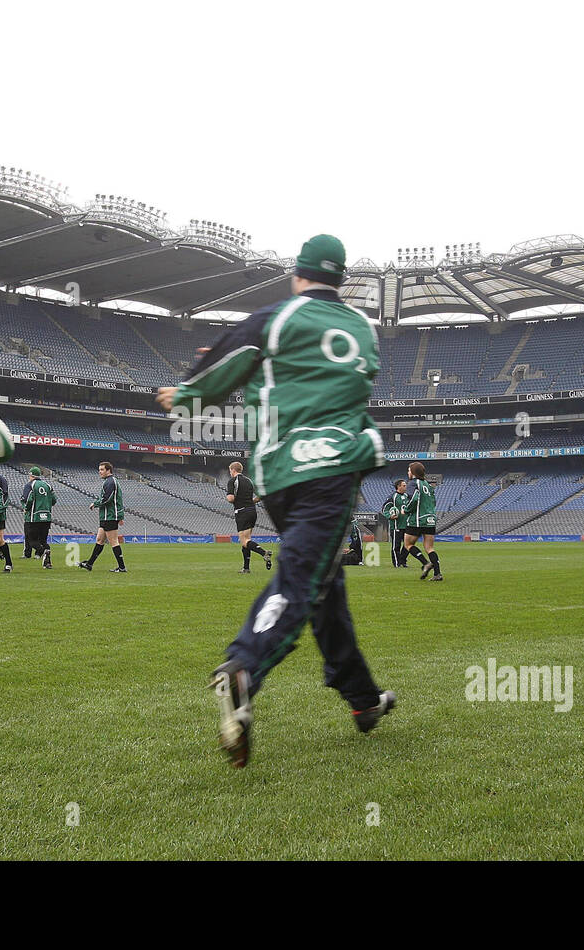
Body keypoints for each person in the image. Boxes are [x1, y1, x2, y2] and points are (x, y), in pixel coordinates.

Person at [156, 233, 394, 769]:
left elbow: (229, 357)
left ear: (298, 274)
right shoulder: (364, 330)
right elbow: (352, 389)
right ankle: (244, 666)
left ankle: (362, 700)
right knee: (303, 579)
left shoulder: (277, 317)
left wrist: (187, 393)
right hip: (332, 469)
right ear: (342, 280)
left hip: (279, 473)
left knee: (322, 586)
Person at [78, 461, 126, 573]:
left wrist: (95, 503)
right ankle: (89, 564)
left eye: (102, 470)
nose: (100, 472)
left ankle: (122, 567)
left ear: (108, 470)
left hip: (110, 516)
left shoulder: (110, 482)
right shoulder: (108, 481)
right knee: (100, 539)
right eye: (99, 470)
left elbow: (107, 499)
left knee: (113, 541)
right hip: (105, 516)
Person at [227, 461, 272, 574]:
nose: (230, 473)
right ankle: (246, 568)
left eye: (230, 471)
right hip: (252, 511)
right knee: (247, 539)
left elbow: (231, 499)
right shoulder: (249, 481)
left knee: (244, 541)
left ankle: (264, 553)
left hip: (242, 512)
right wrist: (251, 501)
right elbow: (261, 495)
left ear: (233, 470)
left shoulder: (233, 481)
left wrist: (229, 497)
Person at [400, 461, 442, 581]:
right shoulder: (428, 485)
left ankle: (425, 563)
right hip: (430, 518)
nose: (408, 472)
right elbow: (434, 501)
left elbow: (414, 498)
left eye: (409, 470)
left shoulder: (413, 483)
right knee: (429, 547)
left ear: (413, 472)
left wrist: (406, 510)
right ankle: (437, 574)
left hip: (417, 519)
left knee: (408, 544)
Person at [20, 466, 56, 568]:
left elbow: (28, 499)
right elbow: (54, 500)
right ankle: (47, 562)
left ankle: (43, 552)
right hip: (47, 517)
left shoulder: (30, 485)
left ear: (31, 475)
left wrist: (26, 508)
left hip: (34, 517)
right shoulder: (47, 485)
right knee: (43, 541)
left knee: (32, 541)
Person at [381, 478, 408, 567]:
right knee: (396, 546)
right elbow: (385, 509)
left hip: (407, 525)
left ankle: (403, 561)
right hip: (396, 526)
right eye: (404, 485)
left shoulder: (407, 496)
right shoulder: (392, 497)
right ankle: (397, 563)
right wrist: (390, 516)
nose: (405, 487)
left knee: (408, 545)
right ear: (398, 486)